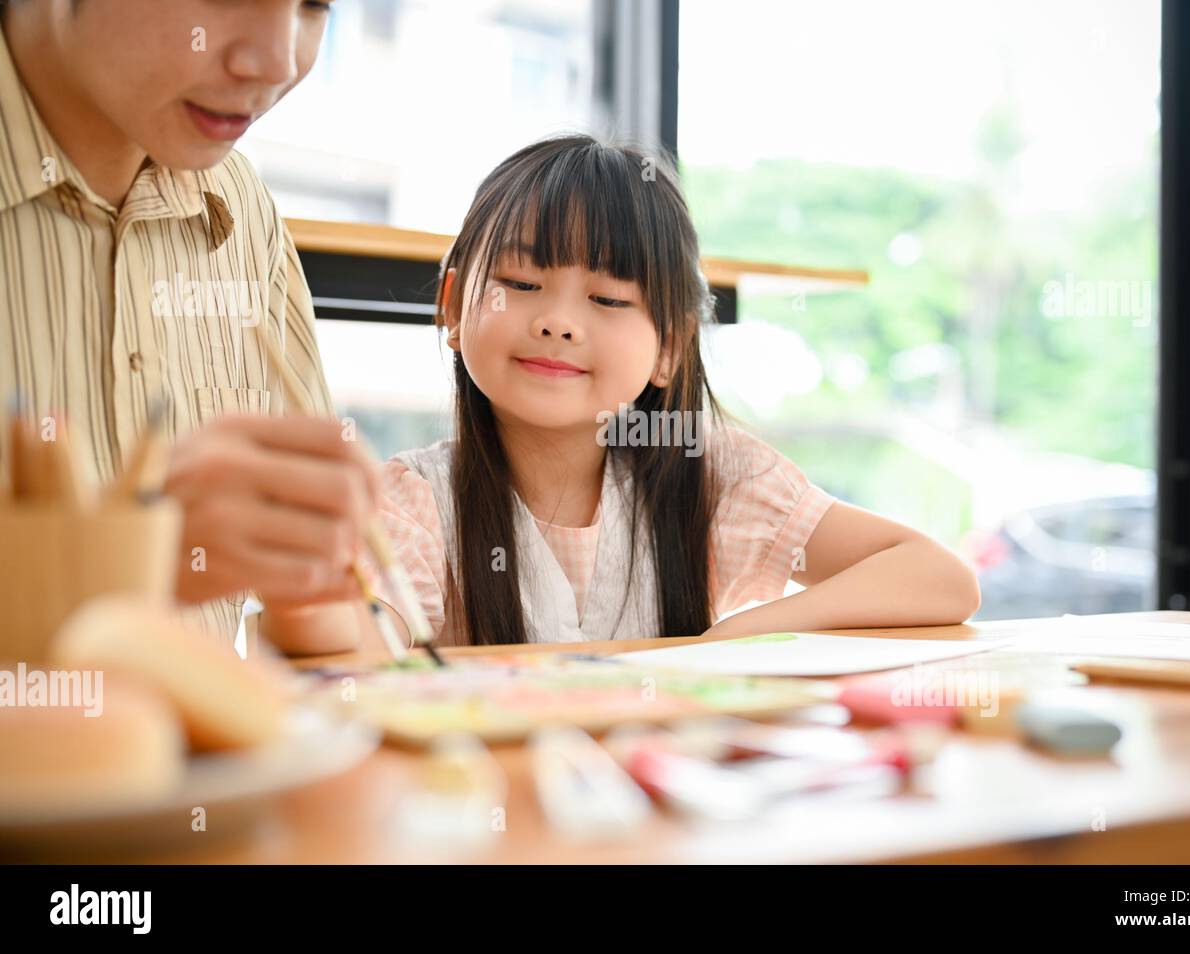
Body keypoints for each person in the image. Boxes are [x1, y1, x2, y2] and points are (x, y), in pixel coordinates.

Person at [366, 135, 980, 646]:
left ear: (669, 347)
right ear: (451, 306)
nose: (558, 322)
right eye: (521, 282)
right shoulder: (416, 502)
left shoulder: (715, 476)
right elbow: (359, 637)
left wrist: (745, 635)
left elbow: (942, 579)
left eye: (607, 298)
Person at [0, 0, 377, 652]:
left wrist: (317, 584)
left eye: (317, 4)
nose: (278, 62)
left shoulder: (241, 208)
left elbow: (319, 604)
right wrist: (135, 556)